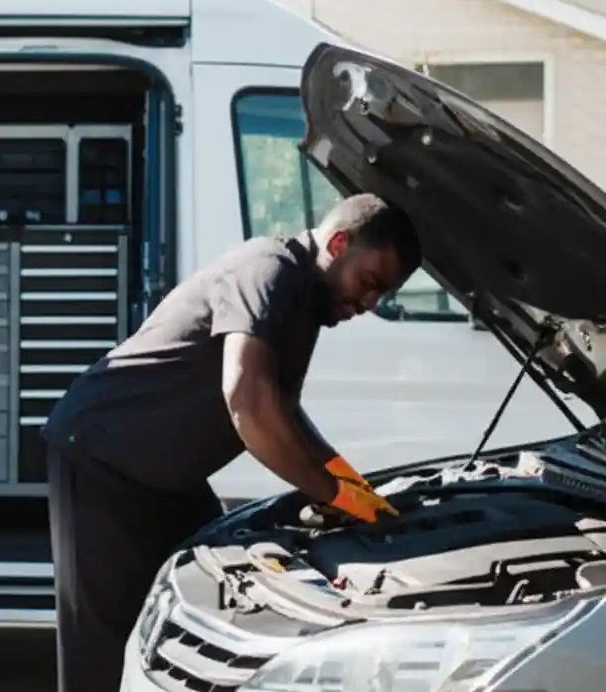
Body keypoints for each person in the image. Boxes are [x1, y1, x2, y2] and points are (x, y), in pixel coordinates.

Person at [41, 193, 420, 692]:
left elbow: (284, 412)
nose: (370, 305)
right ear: (338, 242)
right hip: (101, 459)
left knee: (201, 610)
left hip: (167, 480)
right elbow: (248, 400)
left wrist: (356, 488)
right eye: (370, 284)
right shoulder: (269, 269)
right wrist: (333, 496)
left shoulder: (305, 302)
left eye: (383, 296)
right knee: (106, 652)